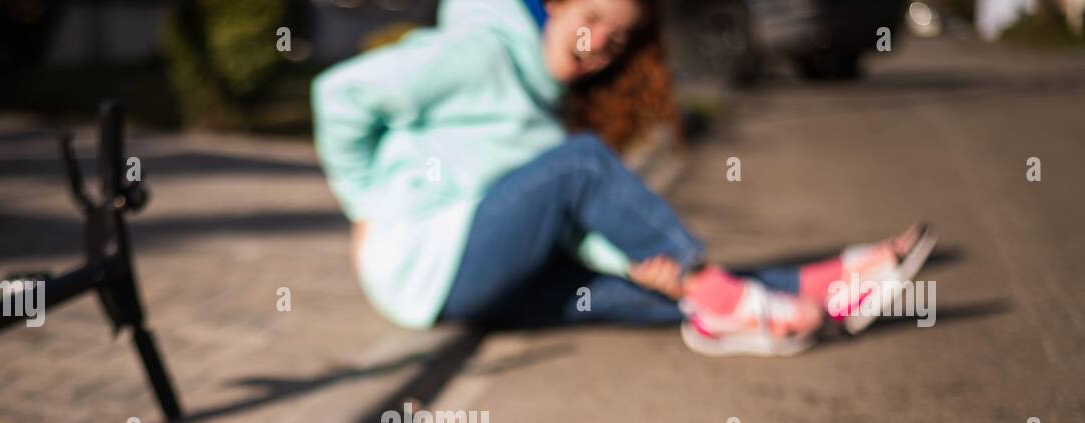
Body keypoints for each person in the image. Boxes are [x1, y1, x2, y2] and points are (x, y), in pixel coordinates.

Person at [311, 0, 936, 356]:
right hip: (423, 257)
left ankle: (831, 288)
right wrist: (365, 203)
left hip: (474, 281)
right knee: (583, 164)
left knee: (650, 290)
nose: (601, 42)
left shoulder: (549, 101)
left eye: (619, 38)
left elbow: (571, 224)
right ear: (554, 4)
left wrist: (646, 264)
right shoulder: (479, 52)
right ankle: (723, 294)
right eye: (592, 16)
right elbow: (338, 94)